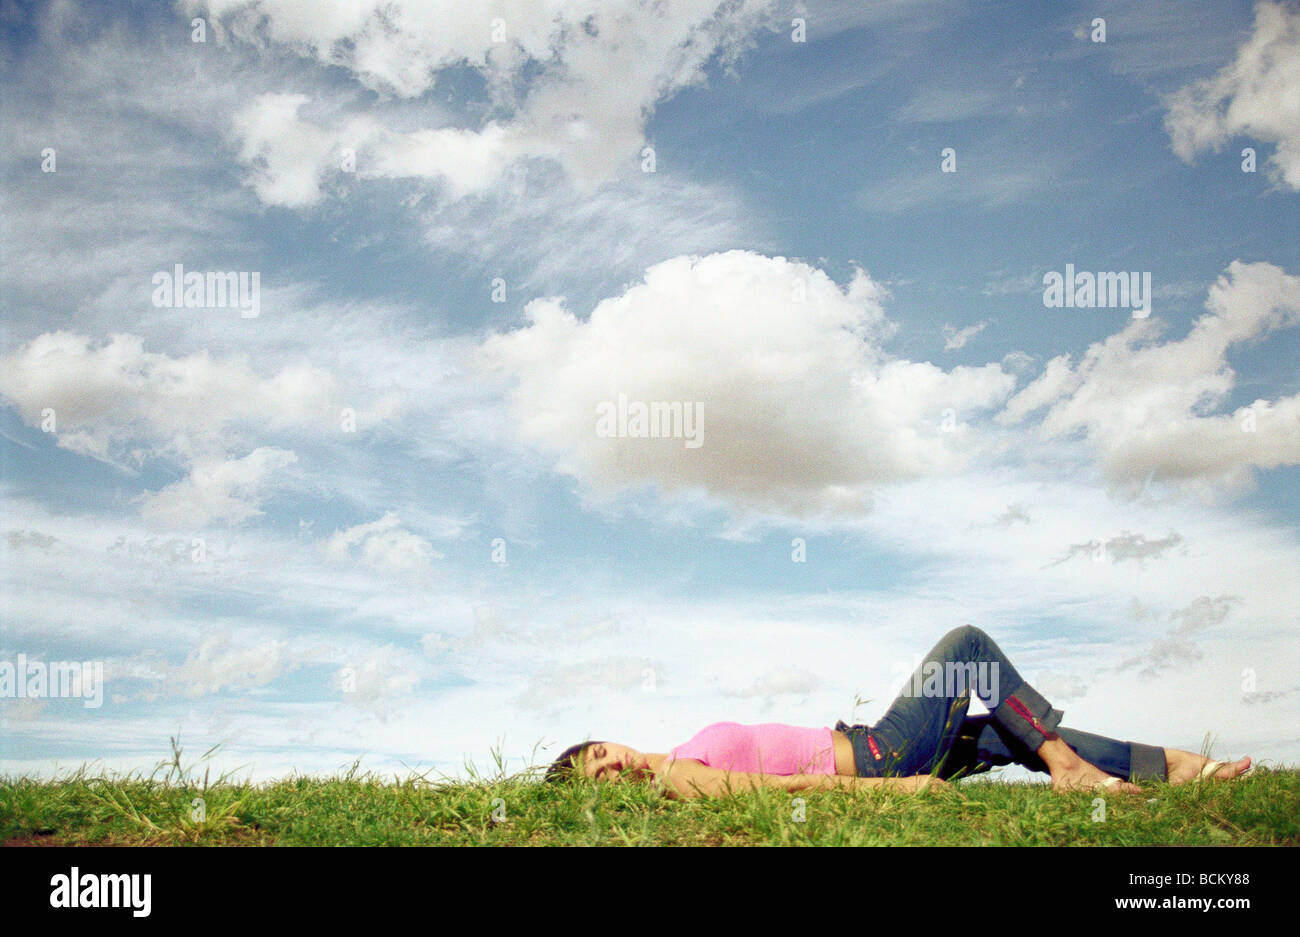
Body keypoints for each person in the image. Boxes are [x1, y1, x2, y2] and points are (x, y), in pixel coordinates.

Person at [544, 625, 1252, 800]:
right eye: (598, 775)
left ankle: (1180, 766)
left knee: (1009, 731)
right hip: (884, 757)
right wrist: (895, 788)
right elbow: (782, 788)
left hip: (872, 745)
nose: (613, 762)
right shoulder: (675, 778)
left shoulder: (674, 752)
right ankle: (1068, 768)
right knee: (967, 647)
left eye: (600, 749)